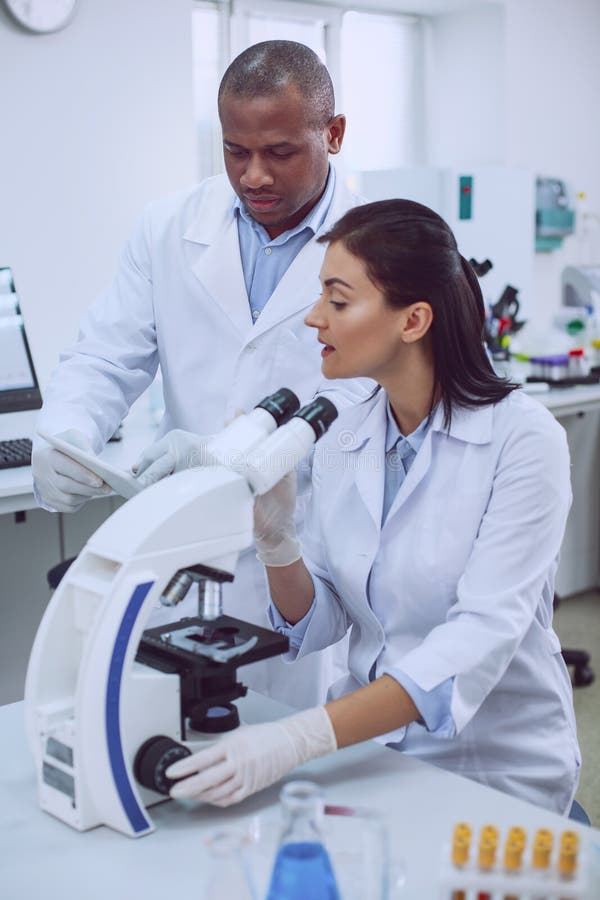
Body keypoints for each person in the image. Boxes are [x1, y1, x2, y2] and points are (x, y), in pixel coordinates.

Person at [164, 199, 581, 816]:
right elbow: (328, 616)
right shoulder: (346, 430)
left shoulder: (523, 440)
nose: (313, 319)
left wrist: (300, 736)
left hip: (491, 764)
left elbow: (480, 634)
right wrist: (279, 545)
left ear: (412, 320)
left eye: (337, 301)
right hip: (370, 752)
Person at [32, 40, 369, 707]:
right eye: (234, 150)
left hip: (320, 549)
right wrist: (66, 434)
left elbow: (371, 397)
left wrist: (241, 454)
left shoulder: (381, 241)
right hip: (191, 545)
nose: (253, 177)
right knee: (180, 730)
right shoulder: (169, 228)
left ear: (332, 134)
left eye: (279, 152)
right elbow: (107, 352)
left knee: (306, 755)